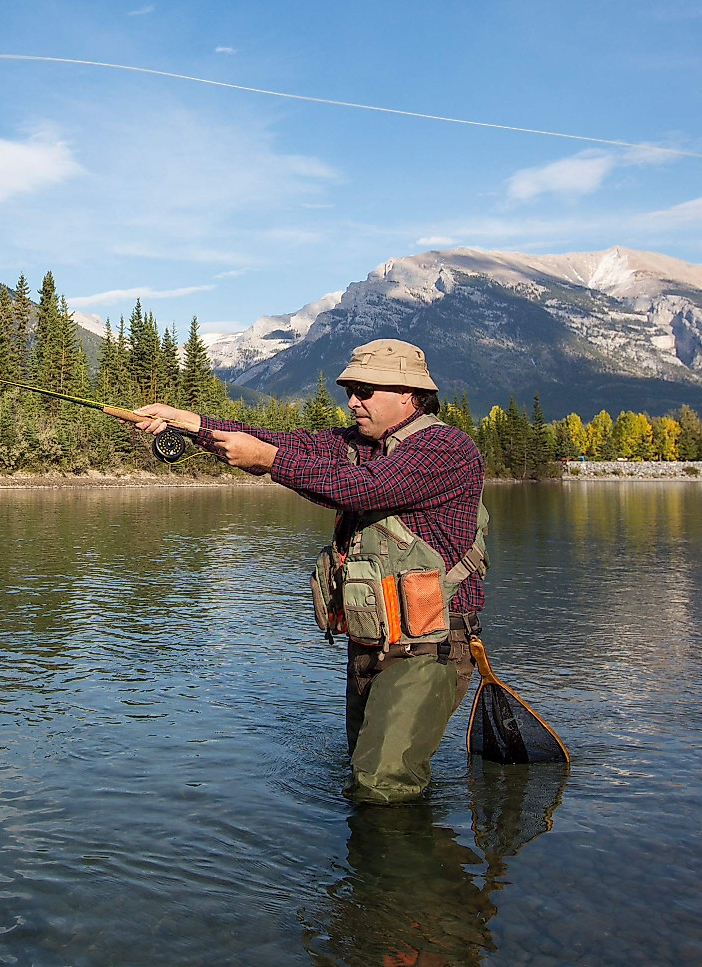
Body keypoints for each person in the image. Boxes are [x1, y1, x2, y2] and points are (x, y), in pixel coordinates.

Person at [134, 338, 487, 805]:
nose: (353, 400)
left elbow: (366, 490)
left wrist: (268, 463)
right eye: (349, 390)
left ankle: (404, 874)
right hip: (370, 640)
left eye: (364, 389)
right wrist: (189, 423)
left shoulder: (446, 447)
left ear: (408, 393)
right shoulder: (356, 445)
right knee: (365, 773)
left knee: (382, 788)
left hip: (430, 645)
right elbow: (279, 441)